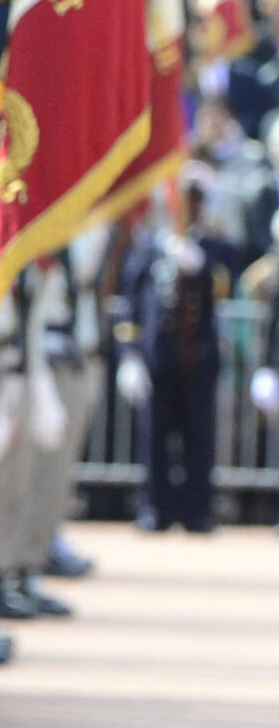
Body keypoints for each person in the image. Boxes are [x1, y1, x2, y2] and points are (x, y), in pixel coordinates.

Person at [117, 164, 237, 534]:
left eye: (194, 200)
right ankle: (156, 507)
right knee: (154, 436)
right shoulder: (150, 248)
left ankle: (197, 509)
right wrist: (129, 355)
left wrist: (202, 266)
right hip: (158, 357)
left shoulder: (216, 247)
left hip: (198, 357)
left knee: (198, 436)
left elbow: (228, 286)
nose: (187, 207)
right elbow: (131, 305)